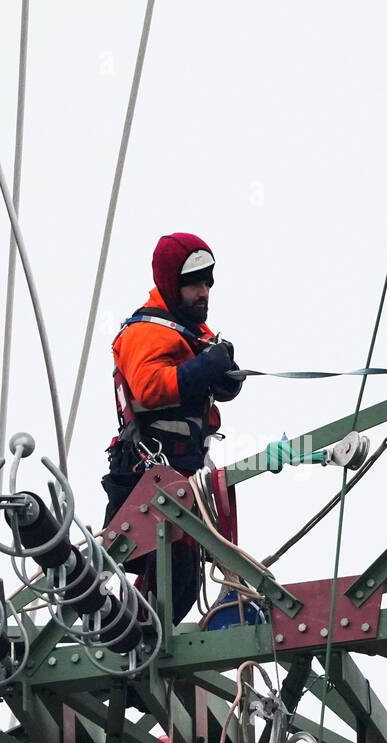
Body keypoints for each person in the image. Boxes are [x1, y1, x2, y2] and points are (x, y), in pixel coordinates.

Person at [102, 232, 245, 624]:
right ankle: (128, 651)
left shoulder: (193, 333)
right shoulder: (145, 332)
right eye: (195, 284)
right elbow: (148, 389)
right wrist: (204, 368)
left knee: (179, 585)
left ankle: (137, 648)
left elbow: (205, 382)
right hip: (148, 476)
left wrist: (223, 376)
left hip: (179, 480)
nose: (204, 292)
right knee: (165, 582)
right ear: (171, 283)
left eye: (208, 283)